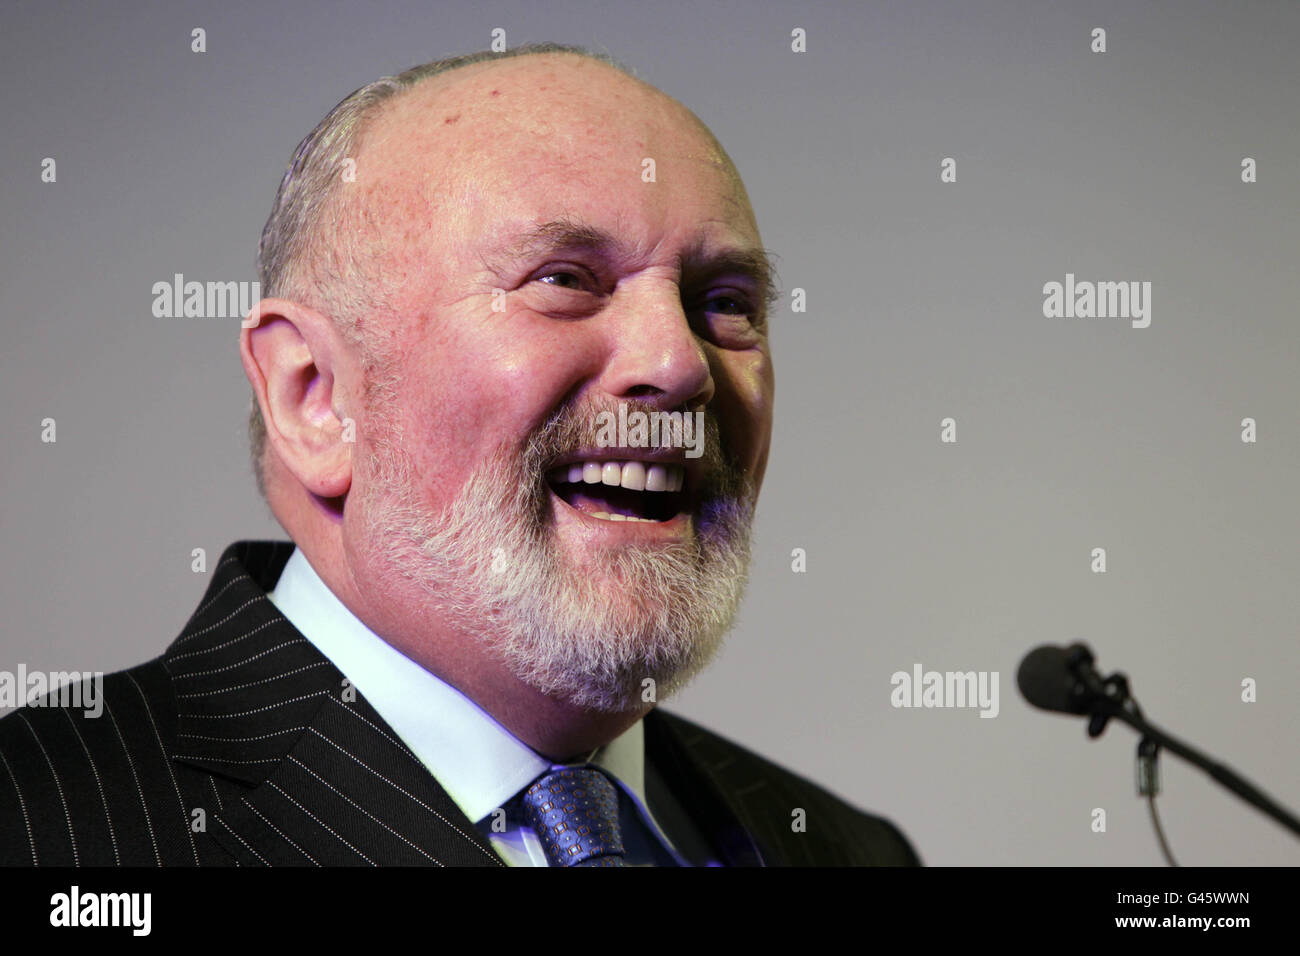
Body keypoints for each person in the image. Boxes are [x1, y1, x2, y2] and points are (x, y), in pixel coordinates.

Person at [0, 43, 918, 867]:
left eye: (725, 302)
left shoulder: (847, 850)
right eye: (563, 281)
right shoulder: (40, 826)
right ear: (313, 395)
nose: (679, 364)